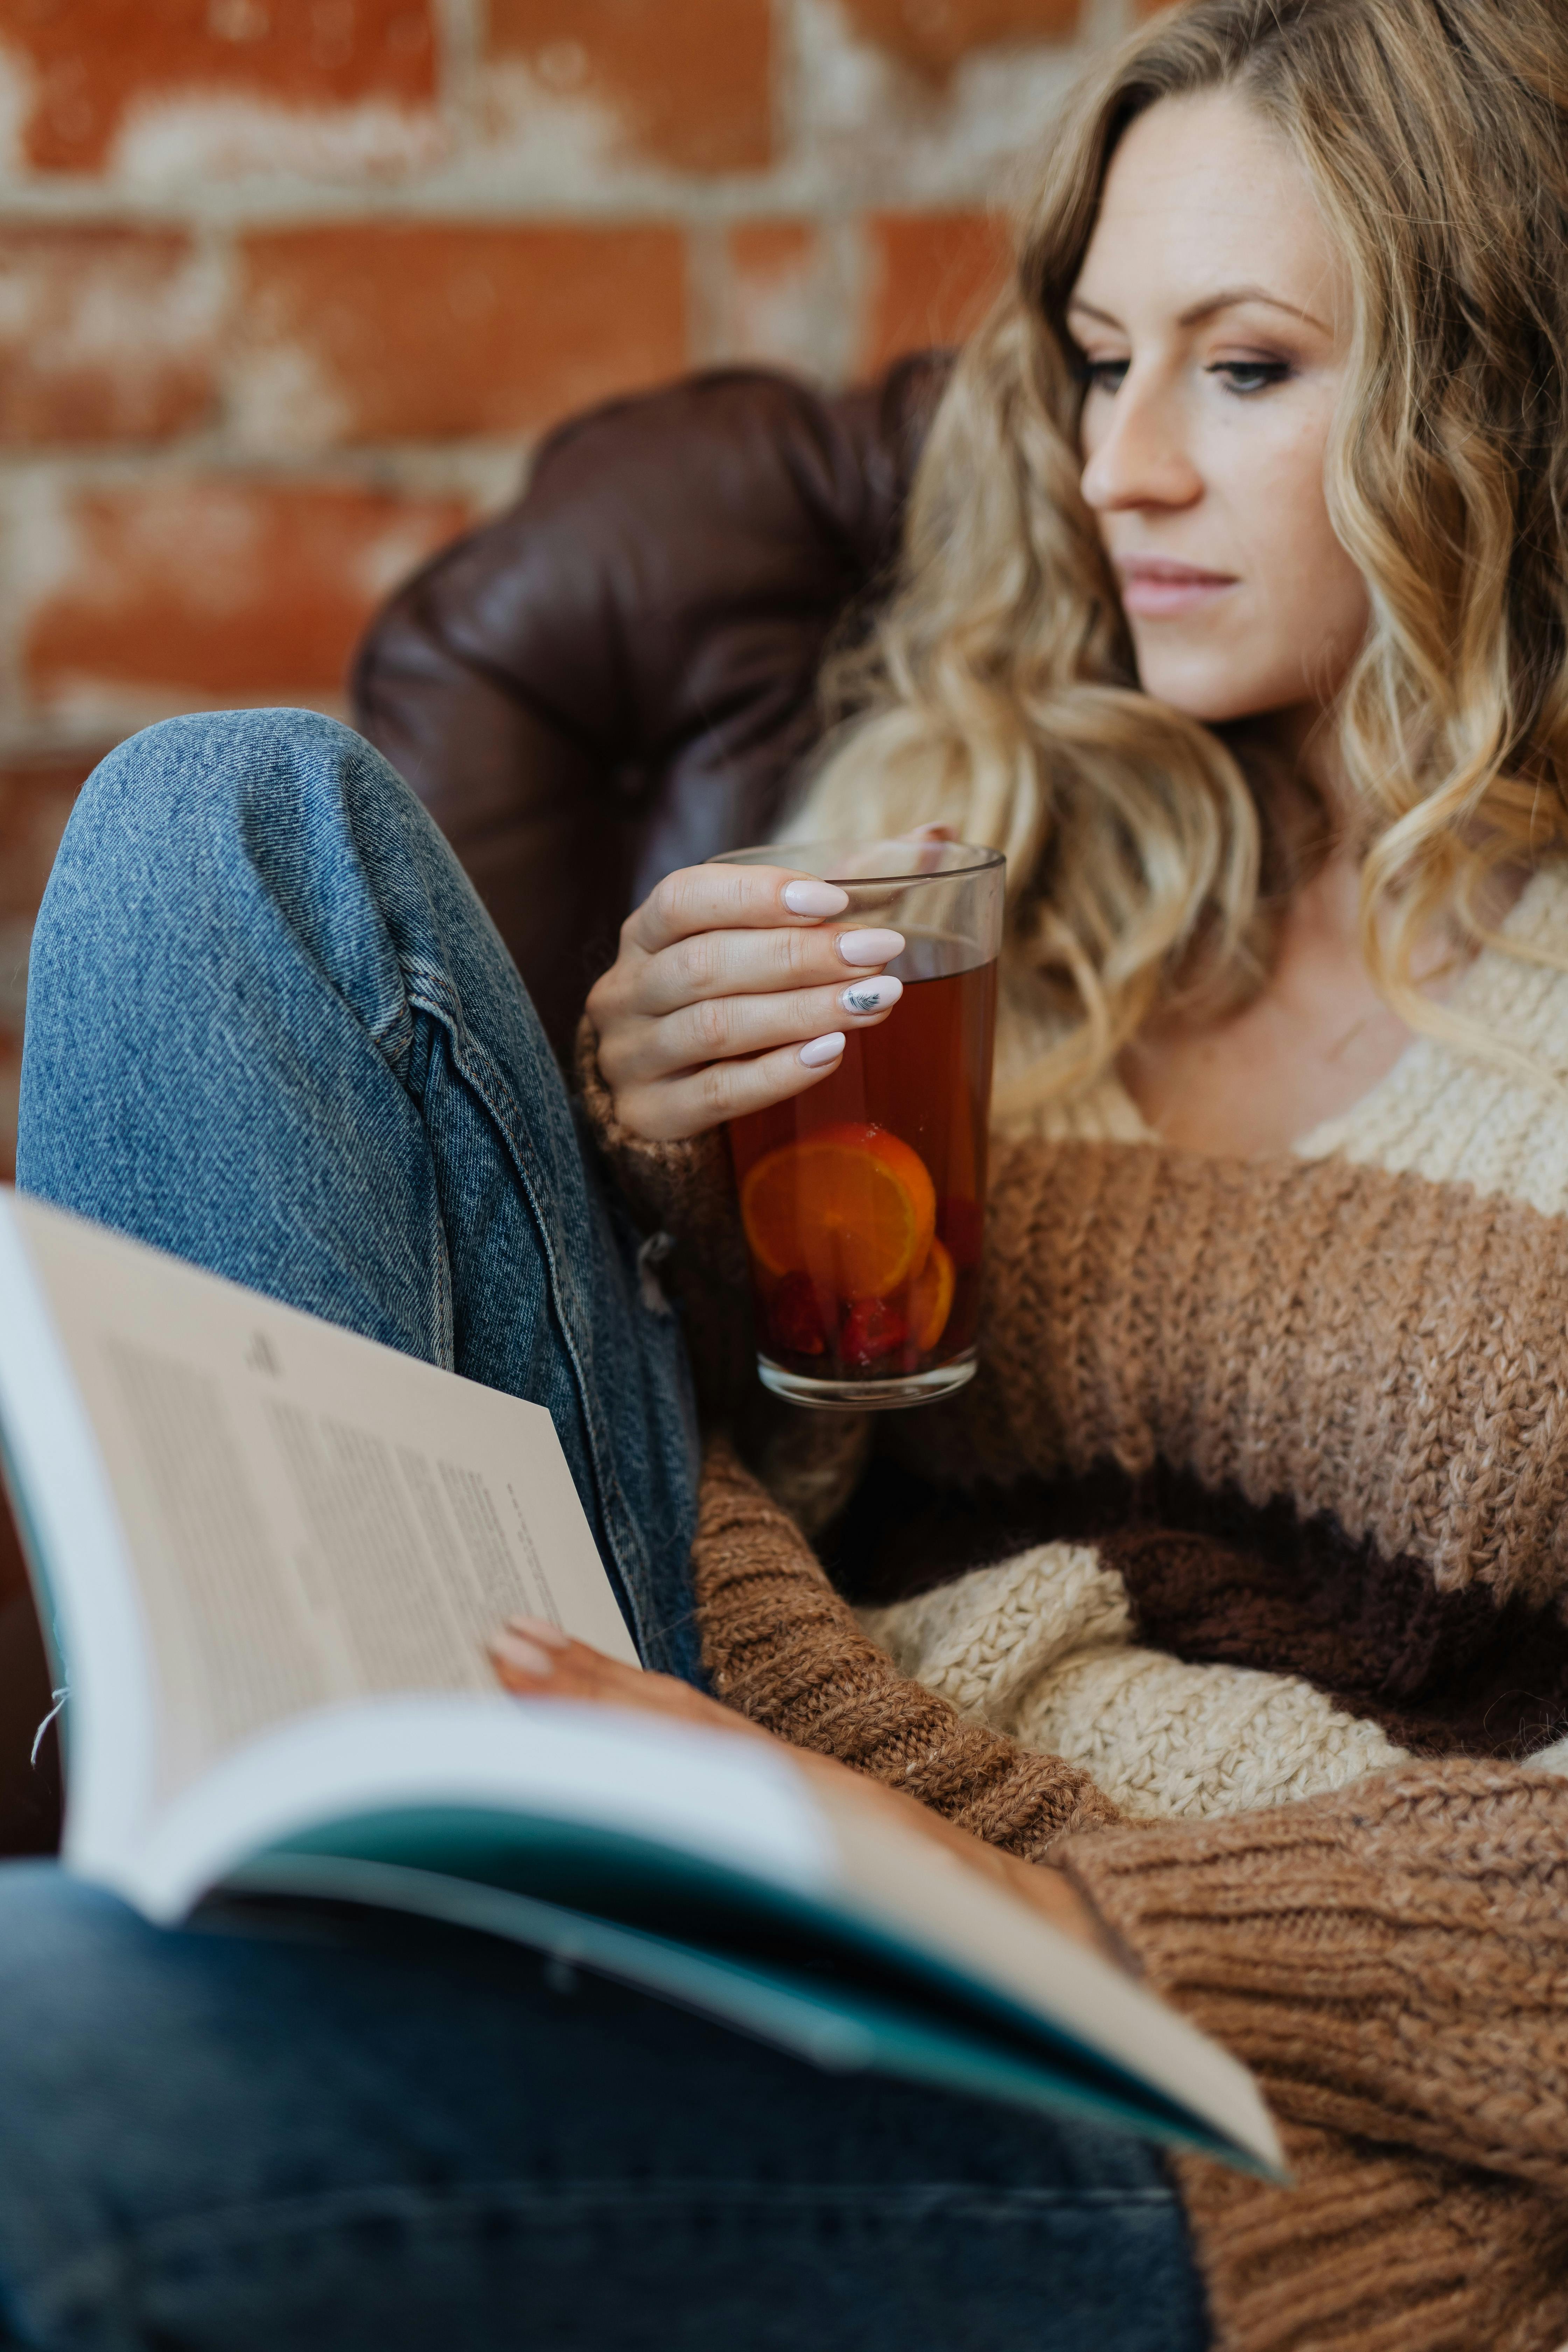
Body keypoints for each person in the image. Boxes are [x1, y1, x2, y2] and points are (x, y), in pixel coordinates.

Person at [7, 0, 1568, 2345]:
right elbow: (795, 1434)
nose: (1117, 466)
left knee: (60, 2060)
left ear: (1497, 402)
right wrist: (669, 1205)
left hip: (1187, 2042)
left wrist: (1010, 1901)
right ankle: (274, 1847)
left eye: (1245, 371)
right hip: (718, 1731)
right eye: (1093, 359)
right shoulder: (978, 845)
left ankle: (267, 1993)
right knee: (221, 824)